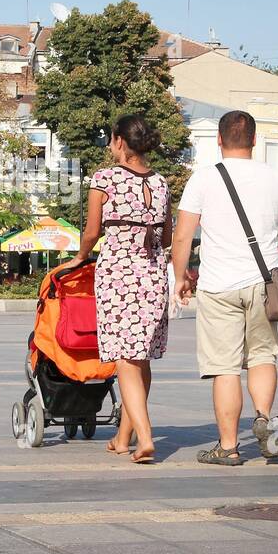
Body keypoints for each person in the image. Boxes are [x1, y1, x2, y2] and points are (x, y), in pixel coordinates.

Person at [171, 110, 278, 465]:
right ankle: (262, 417)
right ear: (253, 139)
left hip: (218, 286)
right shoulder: (276, 178)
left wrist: (180, 277)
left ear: (219, 139)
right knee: (263, 356)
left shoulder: (202, 179)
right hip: (264, 286)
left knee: (225, 367)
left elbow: (183, 235)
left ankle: (229, 447)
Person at [69, 114, 171, 464]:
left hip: (119, 275)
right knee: (139, 358)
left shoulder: (105, 178)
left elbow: (92, 231)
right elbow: (167, 236)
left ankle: (144, 438)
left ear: (119, 141)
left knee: (126, 360)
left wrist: (79, 258)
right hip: (154, 273)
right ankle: (122, 436)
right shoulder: (160, 182)